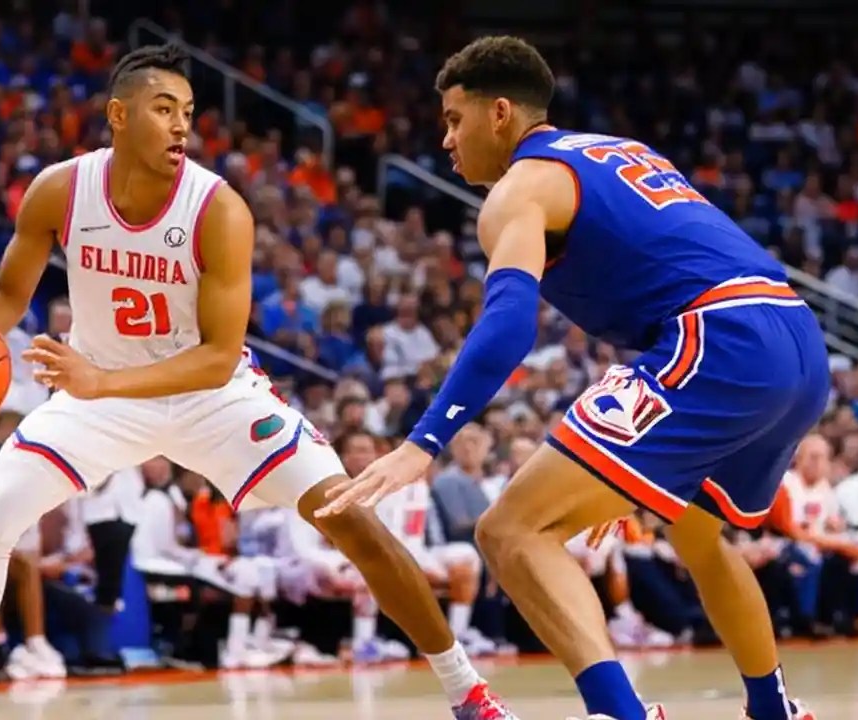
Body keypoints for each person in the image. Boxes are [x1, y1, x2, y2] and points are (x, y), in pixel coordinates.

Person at [0, 45, 513, 720]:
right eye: (164, 110)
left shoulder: (218, 209)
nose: (182, 125)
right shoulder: (60, 191)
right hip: (97, 397)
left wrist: (101, 380)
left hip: (209, 394)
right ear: (119, 116)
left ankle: (468, 692)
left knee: (348, 515)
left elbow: (219, 357)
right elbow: (8, 299)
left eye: (188, 112)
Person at [318, 36, 828, 720]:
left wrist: (423, 443)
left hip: (717, 338)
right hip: (796, 338)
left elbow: (506, 329)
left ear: (500, 114)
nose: (446, 140)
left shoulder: (519, 190)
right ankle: (774, 709)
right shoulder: (620, 151)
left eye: (453, 119)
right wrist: (635, 468)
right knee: (697, 535)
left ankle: (620, 713)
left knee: (510, 531)